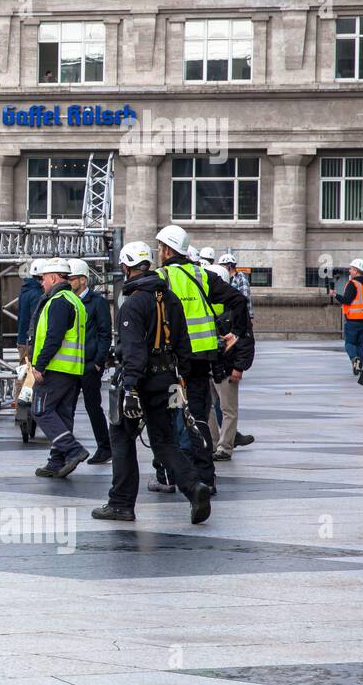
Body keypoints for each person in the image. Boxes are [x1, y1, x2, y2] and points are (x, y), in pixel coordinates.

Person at [92, 242, 212, 525]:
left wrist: (131, 388)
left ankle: (121, 503)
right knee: (164, 441)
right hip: (166, 379)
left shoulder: (132, 303)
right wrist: (178, 379)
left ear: (126, 267)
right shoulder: (169, 298)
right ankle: (194, 487)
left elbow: (134, 351)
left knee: (121, 438)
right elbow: (184, 346)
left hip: (140, 380)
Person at [152, 224, 248, 495]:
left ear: (168, 250)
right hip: (202, 359)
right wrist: (235, 334)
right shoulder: (201, 275)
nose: (159, 252)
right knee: (198, 416)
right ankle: (206, 477)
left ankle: (172, 475)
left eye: (160, 248)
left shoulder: (161, 277)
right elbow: (238, 301)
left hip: (173, 361)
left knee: (171, 415)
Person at [29, 257, 91, 478]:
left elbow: (53, 337)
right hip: (71, 369)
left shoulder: (58, 301)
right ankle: (56, 461)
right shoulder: (74, 300)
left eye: (44, 279)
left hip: (54, 369)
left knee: (40, 409)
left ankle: (73, 451)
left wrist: (40, 364)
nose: (42, 283)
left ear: (54, 277)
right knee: (63, 415)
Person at [68, 258, 113, 464]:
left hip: (88, 364)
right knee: (66, 407)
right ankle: (64, 449)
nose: (69, 282)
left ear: (83, 280)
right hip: (70, 363)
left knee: (93, 407)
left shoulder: (97, 302)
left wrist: (98, 362)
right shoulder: (68, 301)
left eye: (72, 278)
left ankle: (105, 448)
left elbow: (105, 334)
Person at [219, 252, 256, 451]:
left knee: (227, 408)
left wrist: (239, 367)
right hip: (213, 366)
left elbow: (245, 340)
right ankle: (216, 443)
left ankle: (225, 445)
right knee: (215, 408)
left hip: (226, 366)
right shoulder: (214, 307)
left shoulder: (236, 307)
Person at [329, 259, 363, 375]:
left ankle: (354, 359)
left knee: (349, 343)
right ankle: (359, 366)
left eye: (351, 269)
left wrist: (335, 294)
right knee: (359, 344)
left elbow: (347, 301)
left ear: (356, 270)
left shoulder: (353, 284)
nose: (349, 271)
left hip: (353, 319)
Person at [16, 260, 45, 364]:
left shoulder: (26, 290)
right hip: (30, 343)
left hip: (23, 340)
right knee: (30, 376)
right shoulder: (37, 294)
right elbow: (36, 320)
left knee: (25, 373)